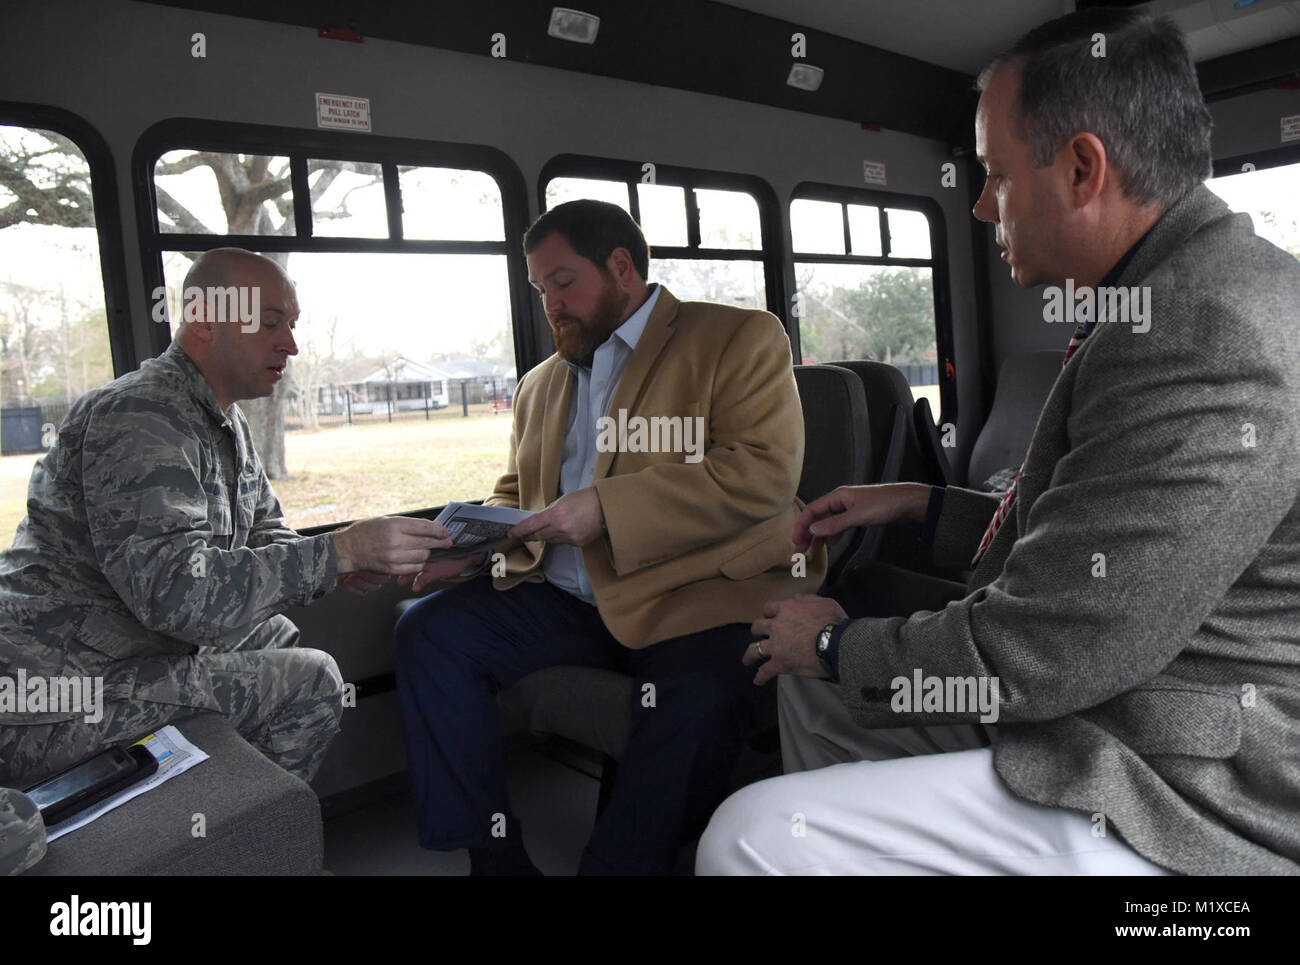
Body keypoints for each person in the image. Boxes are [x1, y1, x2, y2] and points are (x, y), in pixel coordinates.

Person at [697, 8, 1300, 875]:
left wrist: (836, 641)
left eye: (995, 175)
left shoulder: (1202, 328)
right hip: (1102, 694)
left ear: (1083, 169)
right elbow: (1090, 537)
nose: (980, 204)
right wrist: (922, 502)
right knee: (814, 693)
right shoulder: (1172, 289)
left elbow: (1055, 646)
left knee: (748, 834)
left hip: (1181, 774)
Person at [395, 199, 824, 874]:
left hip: (696, 595)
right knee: (426, 630)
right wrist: (471, 549)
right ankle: (493, 855)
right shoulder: (540, 385)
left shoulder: (737, 338)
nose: (551, 304)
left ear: (621, 266)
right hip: (569, 596)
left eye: (563, 282)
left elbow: (762, 472)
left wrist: (606, 508)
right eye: (540, 290)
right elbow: (518, 495)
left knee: (699, 700)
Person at [0, 248, 451, 787]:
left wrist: (342, 566)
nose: (291, 344)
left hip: (129, 654)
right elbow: (175, 596)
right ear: (207, 320)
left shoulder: (220, 420)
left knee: (278, 635)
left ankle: (223, 825)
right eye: (270, 323)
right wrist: (342, 550)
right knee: (313, 682)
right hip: (58, 698)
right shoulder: (140, 416)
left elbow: (265, 535)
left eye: (292, 324)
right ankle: (247, 844)